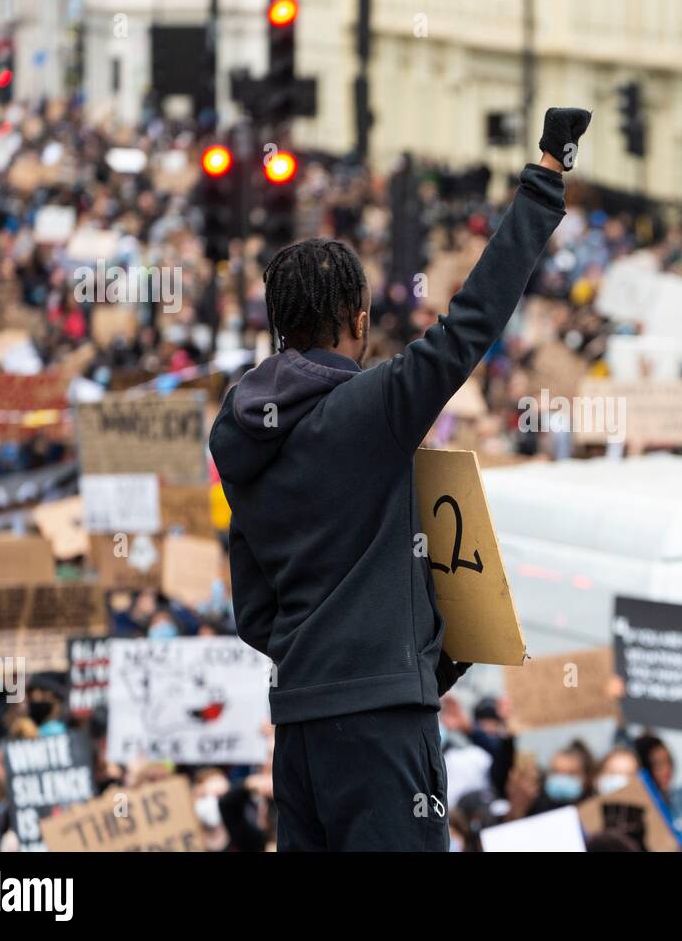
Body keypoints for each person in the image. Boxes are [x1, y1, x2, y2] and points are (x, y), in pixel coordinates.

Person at [208, 107, 590, 851]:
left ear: (279, 329)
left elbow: (255, 614)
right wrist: (547, 175)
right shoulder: (370, 408)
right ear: (356, 321)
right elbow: (472, 321)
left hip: (298, 739)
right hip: (382, 729)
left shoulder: (240, 440)